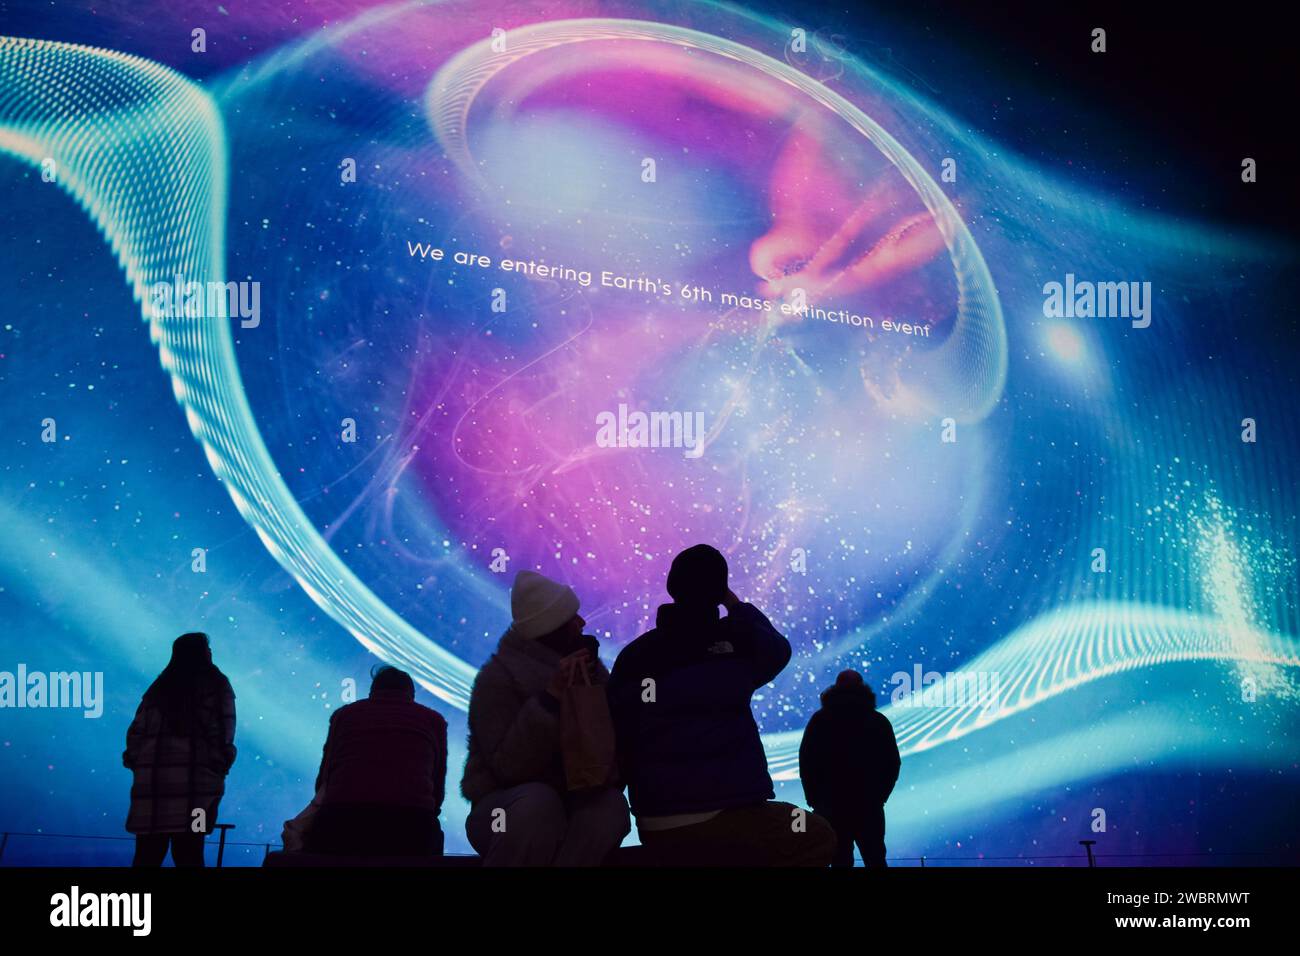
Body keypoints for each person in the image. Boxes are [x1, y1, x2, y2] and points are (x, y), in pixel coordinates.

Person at [608, 544, 835, 866]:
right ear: (718, 589)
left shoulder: (635, 655)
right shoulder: (737, 647)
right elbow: (778, 651)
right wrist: (734, 604)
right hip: (730, 812)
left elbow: (619, 726)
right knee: (818, 836)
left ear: (673, 587)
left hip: (656, 820)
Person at [461, 570, 630, 866]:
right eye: (571, 619)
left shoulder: (588, 672)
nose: (581, 623)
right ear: (551, 628)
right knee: (538, 804)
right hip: (502, 810)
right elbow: (507, 768)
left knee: (610, 808)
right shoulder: (497, 679)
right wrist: (549, 700)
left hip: (573, 800)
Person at [304, 665, 447, 857]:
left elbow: (324, 779)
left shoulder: (344, 716)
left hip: (341, 823)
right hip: (413, 827)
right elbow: (437, 788)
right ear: (410, 694)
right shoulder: (434, 721)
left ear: (372, 691)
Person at [123, 632, 236, 867]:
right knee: (191, 851)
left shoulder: (159, 688)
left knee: (147, 854)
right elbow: (224, 730)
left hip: (152, 790)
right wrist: (220, 763)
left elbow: (136, 733)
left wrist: (138, 762)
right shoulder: (216, 683)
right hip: (199, 791)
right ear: (204, 653)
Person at [798, 669, 901, 867]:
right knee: (876, 859)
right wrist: (879, 796)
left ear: (836, 688)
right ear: (862, 687)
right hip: (868, 806)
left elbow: (807, 762)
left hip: (831, 806)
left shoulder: (819, 721)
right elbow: (892, 763)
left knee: (839, 860)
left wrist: (815, 799)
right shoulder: (878, 721)